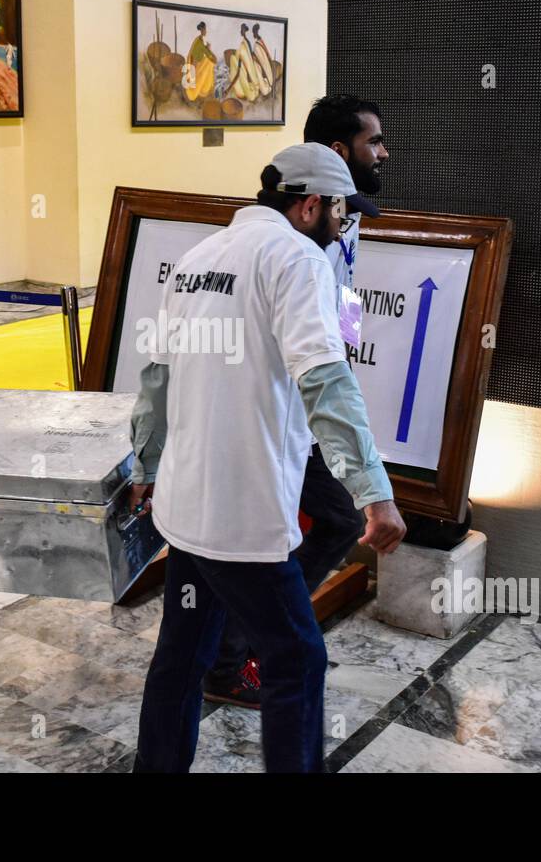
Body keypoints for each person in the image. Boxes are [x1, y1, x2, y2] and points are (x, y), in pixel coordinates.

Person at [129, 143, 406, 773]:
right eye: (341, 213)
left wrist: (146, 466)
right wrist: (373, 491)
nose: (345, 226)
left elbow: (155, 378)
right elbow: (326, 380)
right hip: (242, 516)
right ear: (310, 206)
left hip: (186, 504)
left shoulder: (200, 258)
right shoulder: (296, 260)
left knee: (181, 657)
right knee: (297, 660)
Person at [203, 93, 390, 708]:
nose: (383, 153)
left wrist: (346, 349)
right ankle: (246, 651)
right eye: (372, 142)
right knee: (323, 522)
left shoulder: (343, 214)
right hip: (279, 403)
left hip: (304, 392)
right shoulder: (291, 233)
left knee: (318, 524)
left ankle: (240, 648)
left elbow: (344, 295)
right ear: (335, 158)